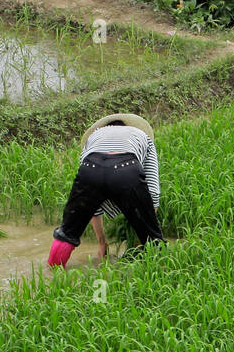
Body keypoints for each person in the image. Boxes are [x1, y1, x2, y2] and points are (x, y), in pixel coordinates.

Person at [47, 113, 163, 267]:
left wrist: (101, 242)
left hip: (91, 168)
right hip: (126, 170)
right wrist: (143, 231)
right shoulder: (142, 135)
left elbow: (92, 206)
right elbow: (153, 191)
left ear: (106, 127)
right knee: (152, 239)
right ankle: (159, 270)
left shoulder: (94, 137)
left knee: (67, 232)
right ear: (129, 127)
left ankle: (51, 275)